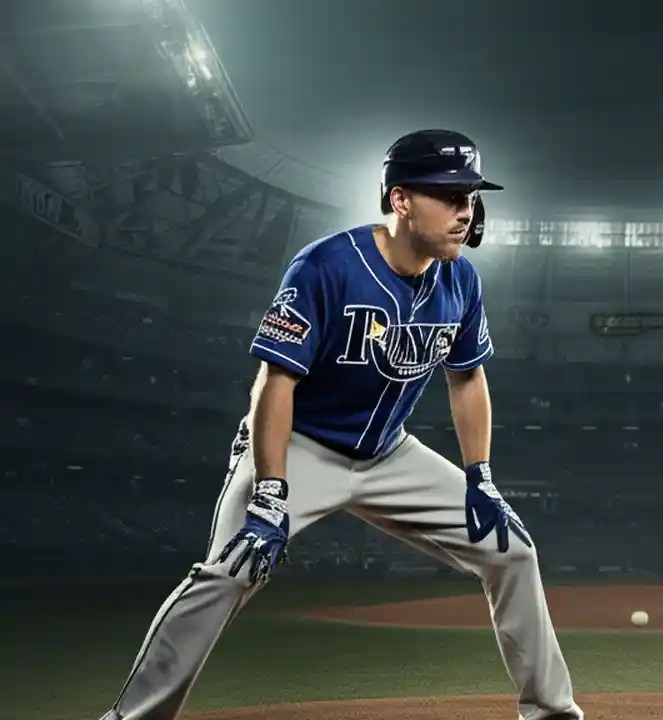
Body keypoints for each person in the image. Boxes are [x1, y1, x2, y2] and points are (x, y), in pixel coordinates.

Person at [99, 129, 582, 720]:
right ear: (400, 199)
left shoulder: (461, 280)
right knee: (231, 569)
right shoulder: (328, 265)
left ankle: (552, 713)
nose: (466, 212)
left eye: (472, 197)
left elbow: (467, 378)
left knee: (512, 552)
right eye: (450, 196)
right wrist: (271, 489)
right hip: (300, 445)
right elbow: (275, 384)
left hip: (389, 454)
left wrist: (480, 476)